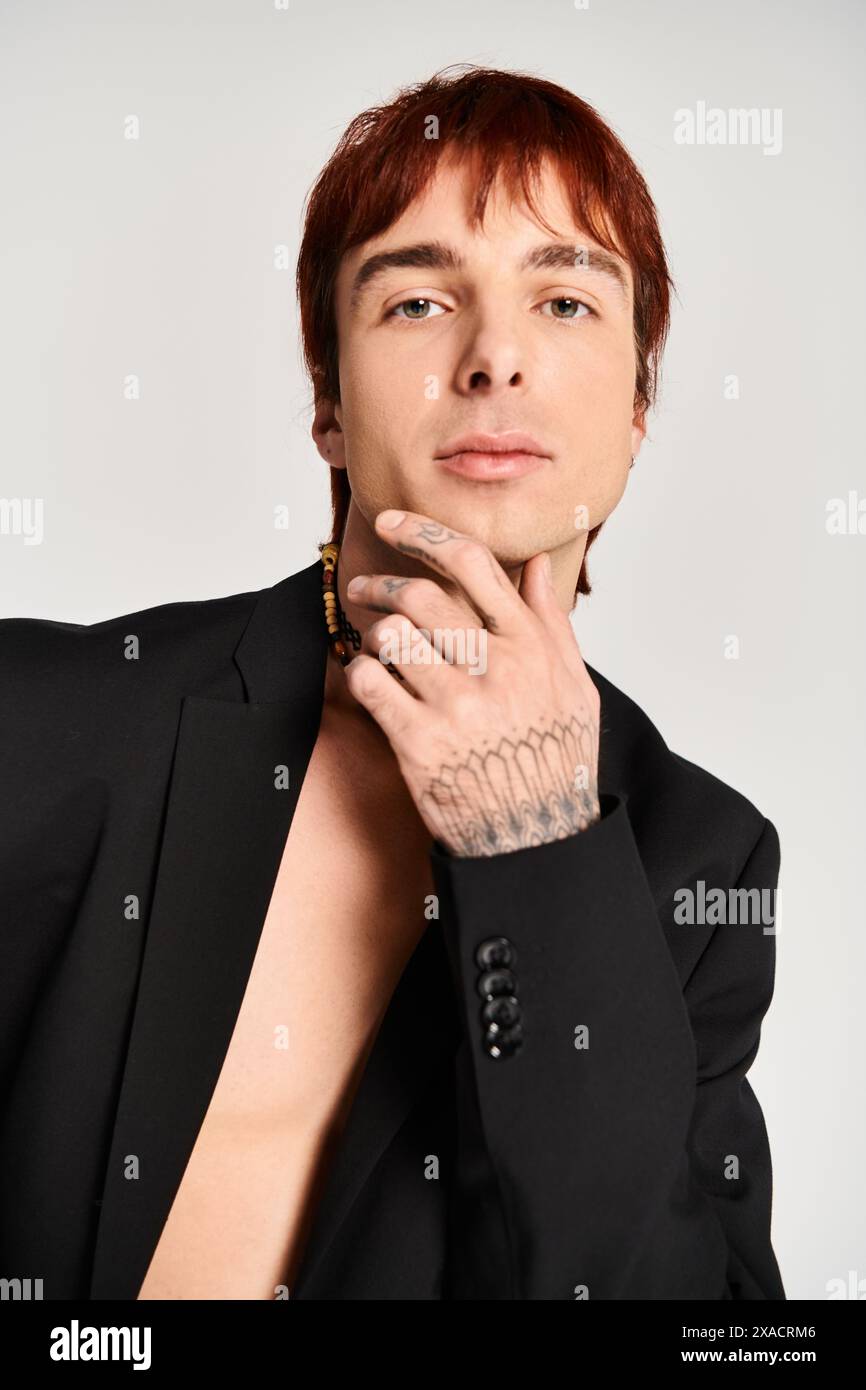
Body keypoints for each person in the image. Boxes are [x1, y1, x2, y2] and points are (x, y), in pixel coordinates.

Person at [0, 64, 784, 1301]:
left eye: (566, 301)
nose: (493, 359)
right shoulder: (43, 721)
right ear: (325, 395)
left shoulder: (699, 866)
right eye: (419, 300)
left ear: (638, 405)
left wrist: (536, 846)